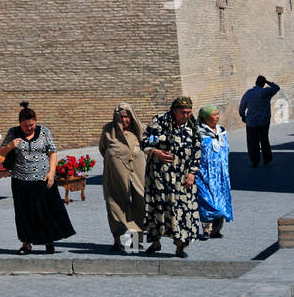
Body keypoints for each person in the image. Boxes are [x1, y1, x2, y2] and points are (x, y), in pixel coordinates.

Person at [0, 100, 74, 254]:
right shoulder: (13, 132)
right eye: (26, 125)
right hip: (21, 180)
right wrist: (10, 146)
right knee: (23, 212)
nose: (29, 128)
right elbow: (1, 152)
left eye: (32, 124)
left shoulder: (44, 132)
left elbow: (52, 152)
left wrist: (51, 173)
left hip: (42, 179)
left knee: (46, 211)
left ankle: (49, 241)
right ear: (20, 123)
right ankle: (26, 244)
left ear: (35, 121)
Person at [142, 96, 202, 257]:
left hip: (182, 178)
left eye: (189, 112)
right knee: (157, 208)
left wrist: (192, 173)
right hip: (159, 176)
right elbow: (145, 141)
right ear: (174, 111)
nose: (186, 115)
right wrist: (156, 152)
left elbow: (197, 150)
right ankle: (155, 242)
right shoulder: (159, 122)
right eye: (183, 112)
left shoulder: (192, 126)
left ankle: (180, 247)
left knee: (183, 211)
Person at [98, 102, 146, 252]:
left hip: (137, 176)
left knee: (138, 206)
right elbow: (102, 149)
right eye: (121, 117)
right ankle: (117, 241)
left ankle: (135, 242)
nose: (124, 120)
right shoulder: (108, 130)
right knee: (115, 207)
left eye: (127, 117)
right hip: (115, 177)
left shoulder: (140, 130)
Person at [195, 104, 233, 240]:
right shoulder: (198, 133)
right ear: (205, 118)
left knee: (221, 200)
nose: (217, 117)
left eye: (218, 114)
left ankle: (216, 230)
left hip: (221, 175)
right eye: (214, 115)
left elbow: (226, 149)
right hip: (204, 174)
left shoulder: (221, 131)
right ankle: (206, 230)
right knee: (206, 200)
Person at [238, 75, 281, 167]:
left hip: (252, 122)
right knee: (264, 140)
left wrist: (242, 115)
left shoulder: (249, 93)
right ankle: (267, 159)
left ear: (256, 82)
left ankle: (255, 160)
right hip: (264, 122)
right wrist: (268, 82)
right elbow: (277, 88)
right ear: (263, 84)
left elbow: (242, 106)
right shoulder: (266, 92)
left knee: (252, 142)